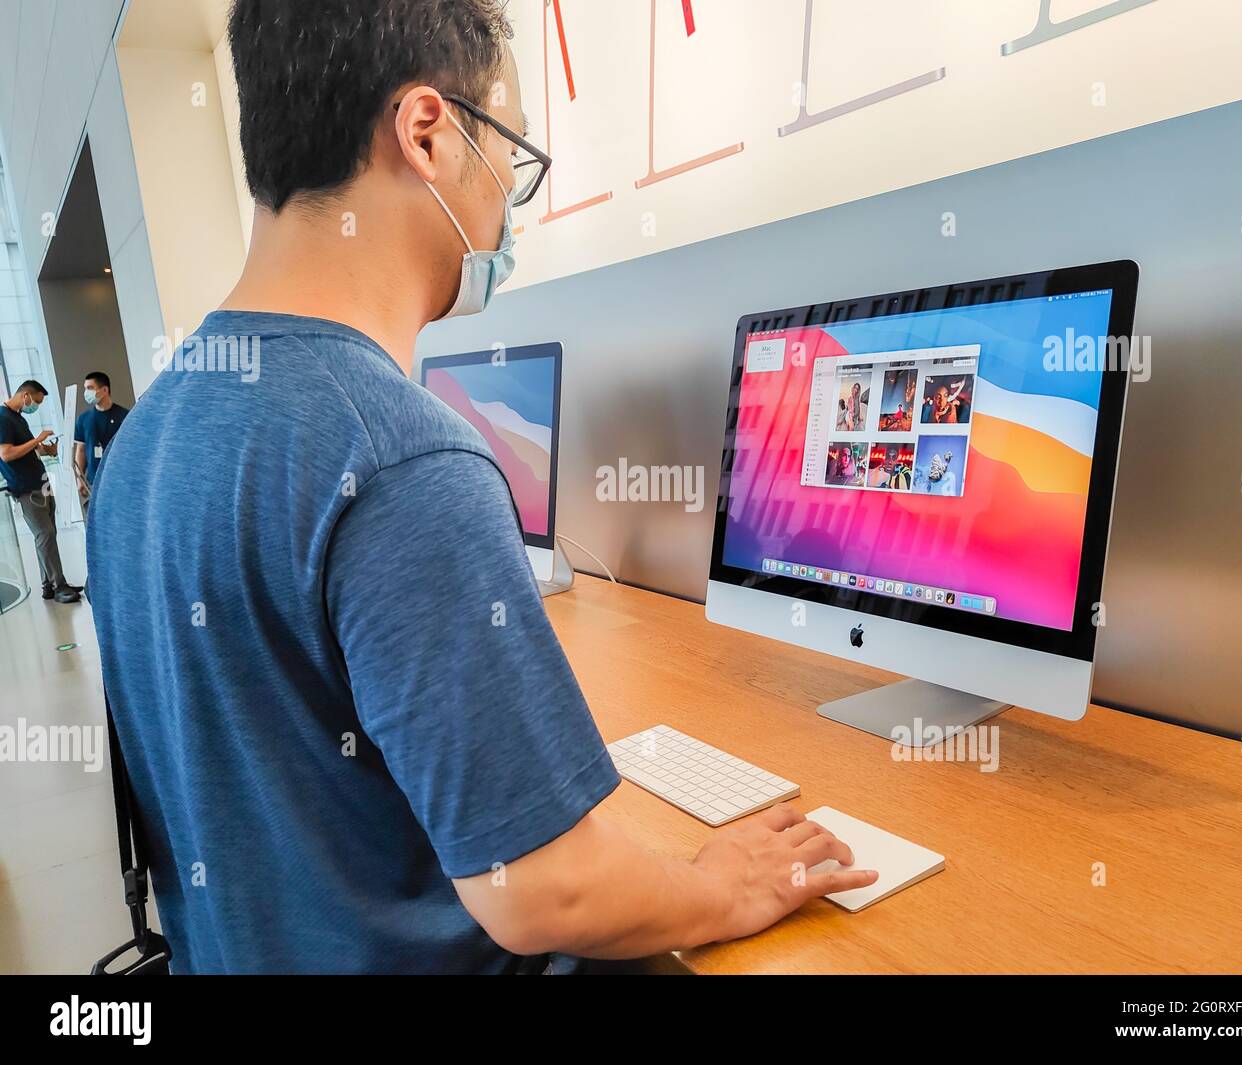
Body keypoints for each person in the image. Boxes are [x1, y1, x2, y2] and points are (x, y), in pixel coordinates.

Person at [87, 0, 874, 975]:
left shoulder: (147, 434)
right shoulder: (400, 458)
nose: (511, 194)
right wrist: (726, 883)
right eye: (510, 151)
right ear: (427, 134)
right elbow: (546, 890)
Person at [0, 381, 82, 603]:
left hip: (40, 482)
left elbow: (29, 450)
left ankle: (48, 584)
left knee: (45, 536)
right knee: (45, 534)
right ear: (25, 395)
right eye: (35, 402)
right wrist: (38, 439)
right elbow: (6, 454)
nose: (35, 406)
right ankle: (59, 585)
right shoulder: (3, 418)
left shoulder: (18, 418)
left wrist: (47, 449)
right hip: (26, 488)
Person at [74, 372, 130, 507]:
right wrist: (79, 478)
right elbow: (80, 451)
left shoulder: (125, 416)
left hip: (121, 478)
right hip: (95, 480)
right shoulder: (83, 419)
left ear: (104, 390)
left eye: (90, 388)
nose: (86, 392)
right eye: (85, 388)